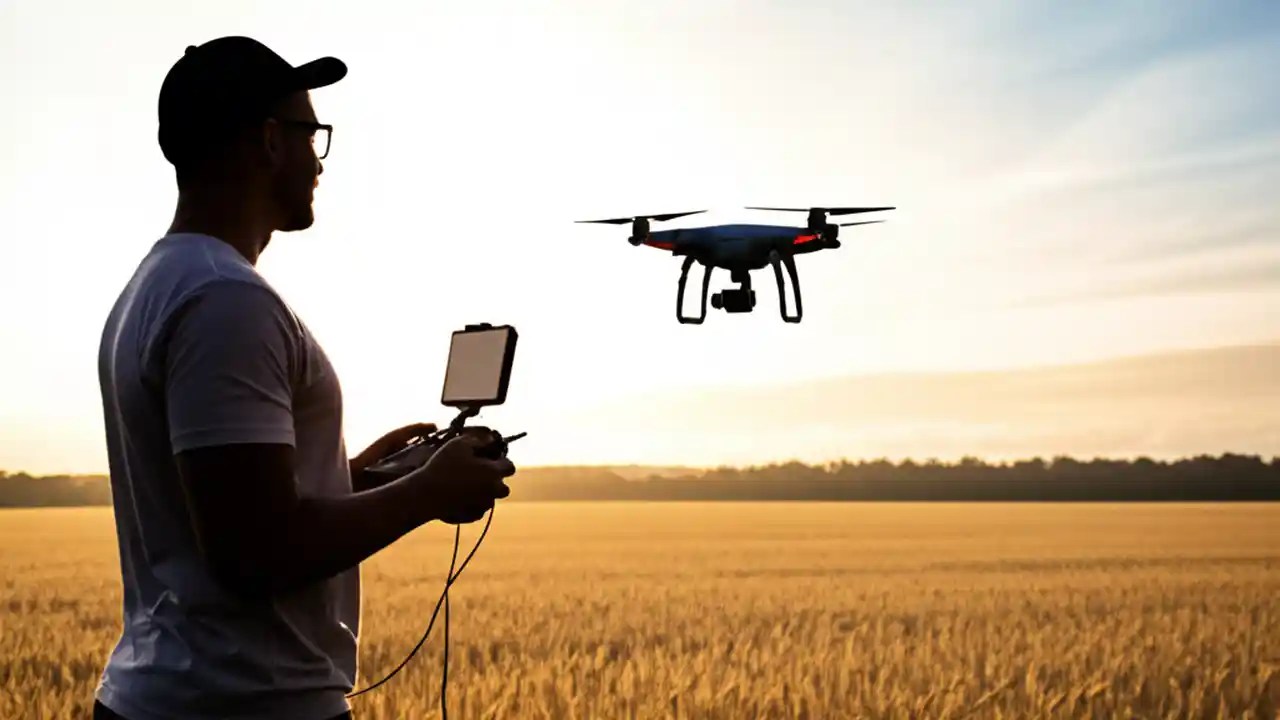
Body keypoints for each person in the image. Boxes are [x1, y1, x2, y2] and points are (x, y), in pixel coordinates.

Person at [92, 36, 514, 720]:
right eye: (311, 134)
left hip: (176, 695)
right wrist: (428, 491)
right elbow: (255, 550)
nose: (319, 160)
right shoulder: (225, 301)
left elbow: (230, 501)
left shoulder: (161, 285)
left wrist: (373, 473)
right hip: (244, 704)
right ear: (267, 141)